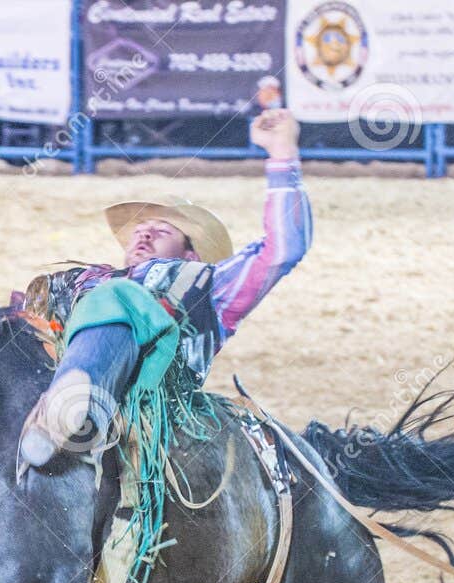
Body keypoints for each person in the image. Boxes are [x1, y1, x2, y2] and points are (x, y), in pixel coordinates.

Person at [17, 109, 311, 474]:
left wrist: (282, 152)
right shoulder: (86, 279)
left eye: (164, 230)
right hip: (42, 377)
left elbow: (283, 249)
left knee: (117, 297)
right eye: (142, 228)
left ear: (192, 254)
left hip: (148, 401)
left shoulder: (208, 285)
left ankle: (73, 410)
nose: (144, 232)